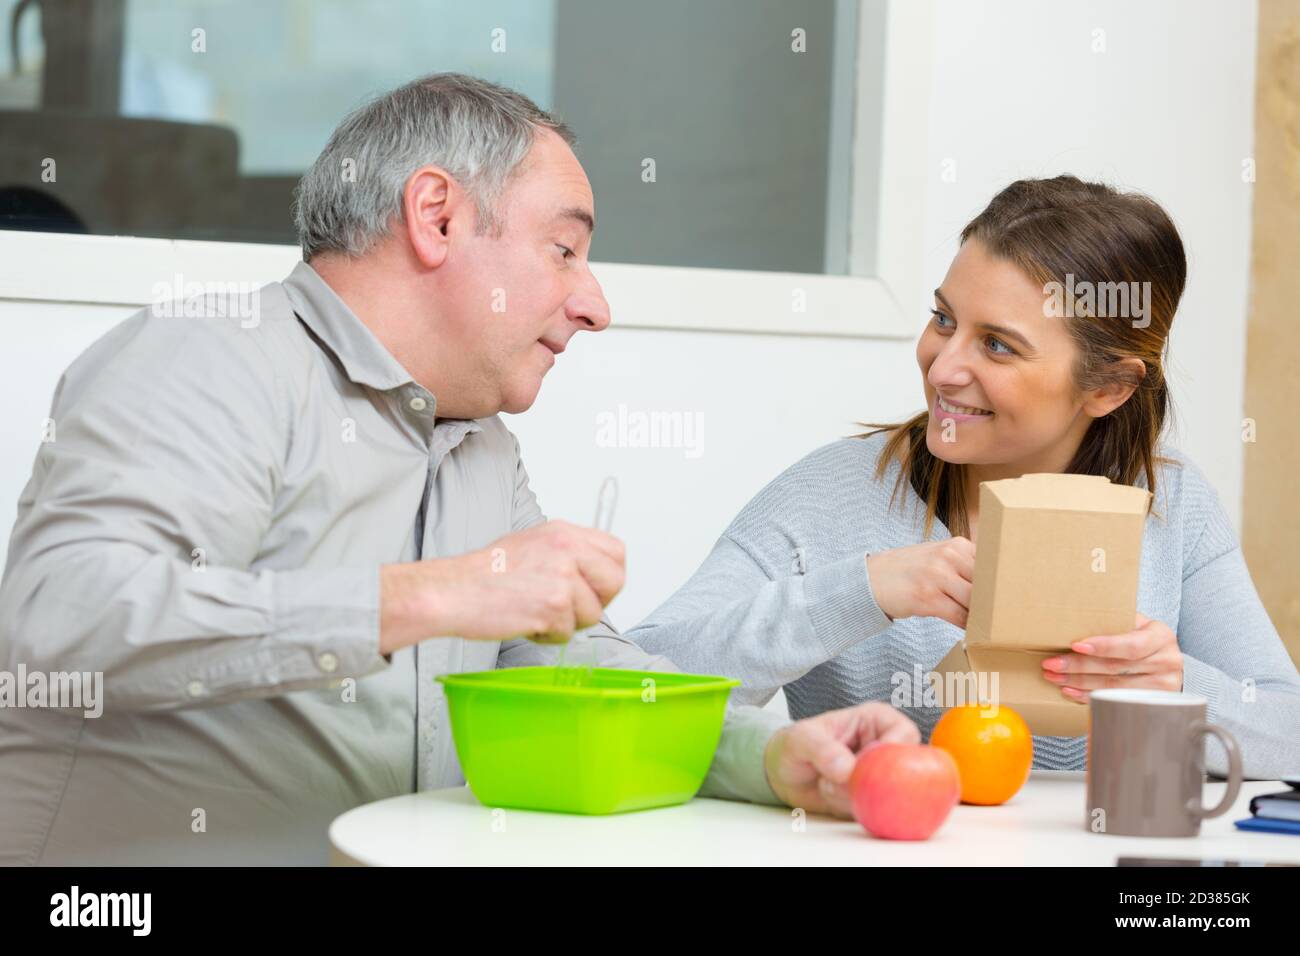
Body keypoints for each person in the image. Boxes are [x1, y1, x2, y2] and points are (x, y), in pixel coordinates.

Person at [0, 73, 918, 866]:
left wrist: (769, 756)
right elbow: (60, 619)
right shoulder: (212, 356)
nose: (594, 305)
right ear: (435, 217)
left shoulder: (476, 440)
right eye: (564, 249)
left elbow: (570, 665)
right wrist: (442, 594)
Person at [630, 176, 1300, 779]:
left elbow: (1289, 732)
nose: (942, 367)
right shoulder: (827, 497)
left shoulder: (1172, 507)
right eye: (943, 319)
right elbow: (633, 684)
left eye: (997, 345)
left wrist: (1177, 687)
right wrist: (861, 590)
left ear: (1110, 387)